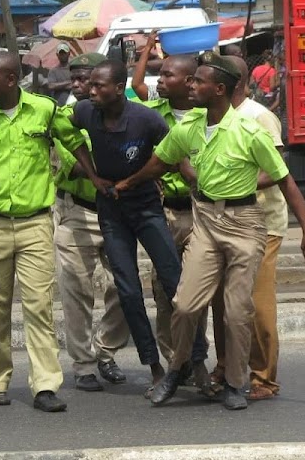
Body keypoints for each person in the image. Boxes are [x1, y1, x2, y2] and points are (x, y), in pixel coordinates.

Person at [117, 51, 305, 411]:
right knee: (184, 304)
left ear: (220, 89)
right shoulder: (188, 128)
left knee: (237, 310)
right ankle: (177, 369)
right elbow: (160, 161)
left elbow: (284, 180)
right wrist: (128, 182)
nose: (192, 86)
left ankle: (234, 381)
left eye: (199, 81)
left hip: (245, 224)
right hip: (207, 222)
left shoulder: (250, 130)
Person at [0, 51, 102, 413]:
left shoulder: (44, 110)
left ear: (11, 81)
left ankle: (45, 385)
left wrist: (93, 175)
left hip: (35, 224)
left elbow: (73, 140)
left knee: (39, 307)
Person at [69, 59, 205, 394]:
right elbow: (63, 133)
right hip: (111, 210)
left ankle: (197, 361)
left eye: (99, 85)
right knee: (128, 290)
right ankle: (155, 366)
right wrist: (90, 172)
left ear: (119, 88)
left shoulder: (146, 119)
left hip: (146, 207)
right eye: (91, 85)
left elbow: (175, 156)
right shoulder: (85, 111)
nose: (91, 90)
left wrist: (196, 184)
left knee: (176, 285)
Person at [206, 56, 288, 401]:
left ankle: (263, 376)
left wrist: (235, 185)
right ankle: (227, 367)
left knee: (255, 303)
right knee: (224, 304)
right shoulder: (211, 119)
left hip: (262, 223)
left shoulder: (259, 117)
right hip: (222, 223)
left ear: (229, 83)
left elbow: (277, 168)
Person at [132, 36, 212, 388]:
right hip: (164, 214)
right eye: (159, 74)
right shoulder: (150, 117)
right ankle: (173, 363)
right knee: (165, 292)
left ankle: (198, 360)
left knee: (198, 293)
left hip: (202, 214)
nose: (159, 81)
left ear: (189, 81)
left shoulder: (210, 117)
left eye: (166, 75)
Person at [54, 52, 129, 392]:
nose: (80, 85)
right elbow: (71, 163)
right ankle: (83, 363)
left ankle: (106, 350)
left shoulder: (127, 114)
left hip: (118, 210)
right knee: (77, 290)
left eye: (87, 79)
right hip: (79, 212)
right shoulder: (65, 118)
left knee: (125, 287)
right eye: (77, 79)